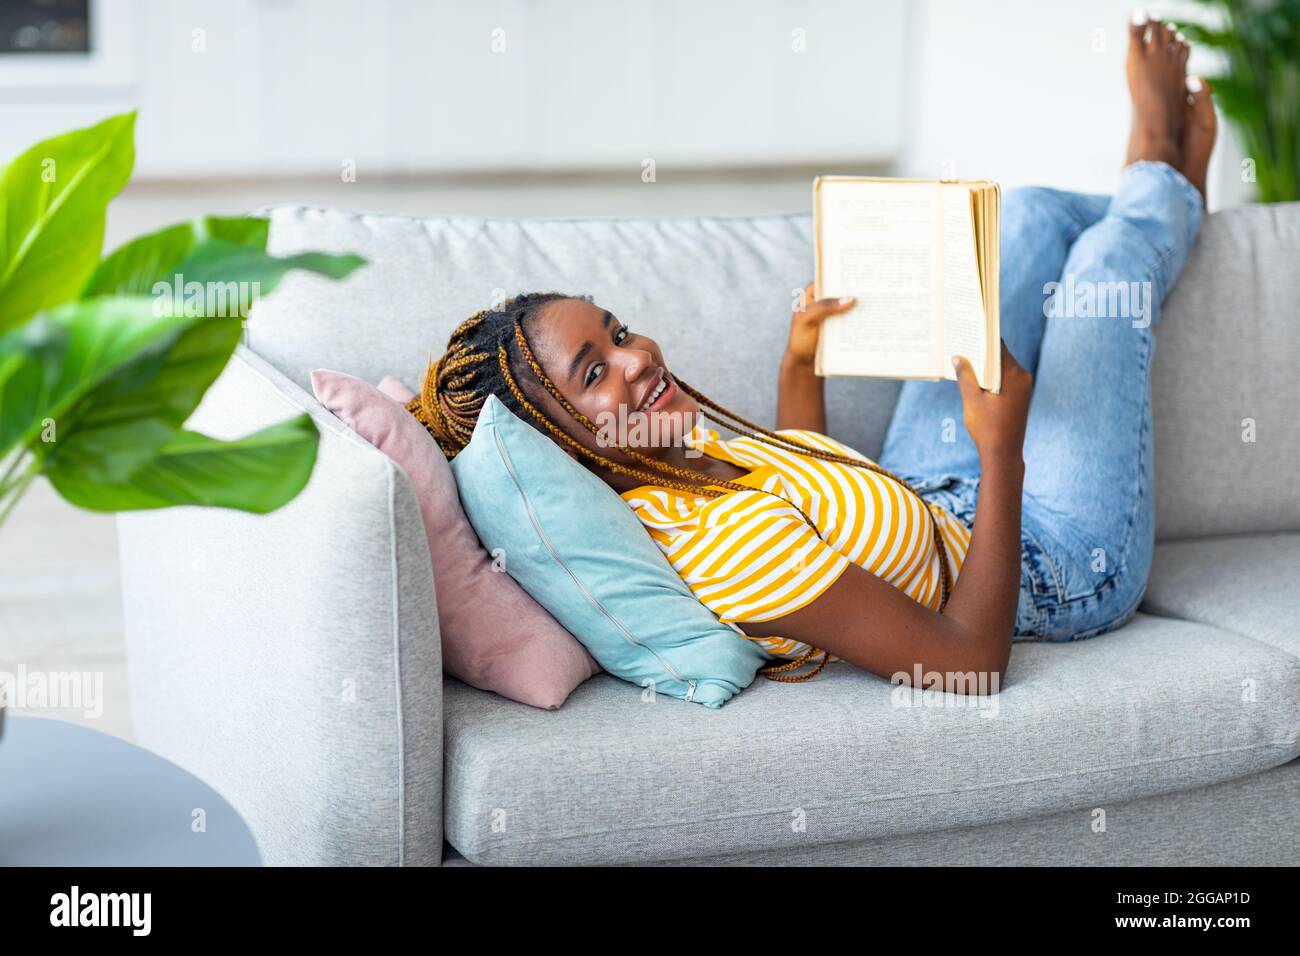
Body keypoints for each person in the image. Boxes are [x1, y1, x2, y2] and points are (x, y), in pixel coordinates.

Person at [407, 11, 1216, 691]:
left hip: (929, 486)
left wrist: (802, 364)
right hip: (1053, 560)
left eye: (616, 333)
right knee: (1105, 277)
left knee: (1029, 219)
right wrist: (1001, 450)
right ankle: (1159, 177)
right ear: (560, 442)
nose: (636, 357)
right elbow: (968, 662)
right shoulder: (726, 553)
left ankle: (1157, 200)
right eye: (595, 371)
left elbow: (804, 477)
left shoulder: (667, 439)